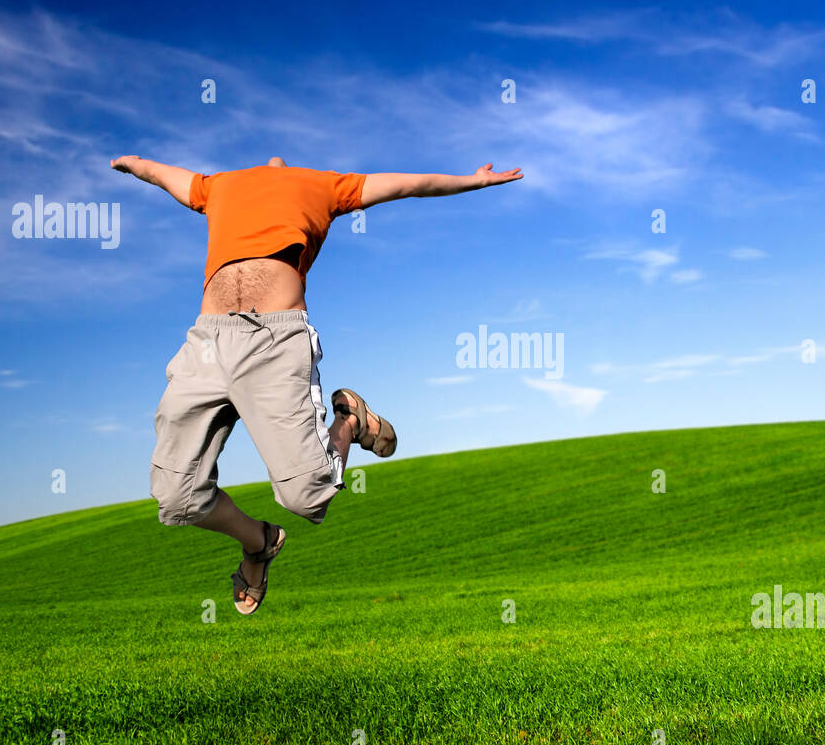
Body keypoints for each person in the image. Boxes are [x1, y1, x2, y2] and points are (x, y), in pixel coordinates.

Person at [110, 154, 523, 614]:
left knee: (307, 497)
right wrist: (137, 164)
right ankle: (259, 543)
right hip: (206, 341)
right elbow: (168, 177)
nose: (272, 162)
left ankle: (350, 422)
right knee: (175, 498)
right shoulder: (220, 185)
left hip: (273, 339)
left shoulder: (320, 185)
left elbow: (407, 182)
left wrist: (472, 180)